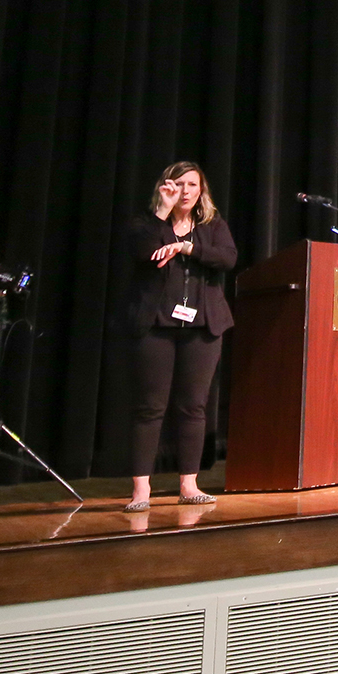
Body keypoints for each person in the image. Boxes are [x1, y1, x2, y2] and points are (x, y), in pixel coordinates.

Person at [122, 161, 238, 512]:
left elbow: (228, 259)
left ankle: (189, 485)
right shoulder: (148, 222)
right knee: (150, 408)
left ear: (201, 191)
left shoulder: (212, 225)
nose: (185, 191)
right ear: (165, 186)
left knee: (193, 406)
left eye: (192, 185)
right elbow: (140, 250)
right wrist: (163, 212)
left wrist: (187, 248)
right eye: (178, 184)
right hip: (155, 327)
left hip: (202, 328)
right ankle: (141, 490)